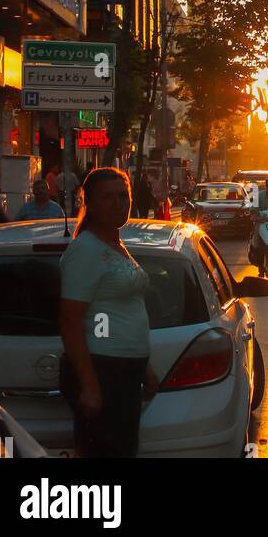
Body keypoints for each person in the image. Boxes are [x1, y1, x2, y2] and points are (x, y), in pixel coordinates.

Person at [58, 167, 157, 459]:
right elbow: (70, 319)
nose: (118, 203)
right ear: (89, 202)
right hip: (104, 371)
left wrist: (145, 369)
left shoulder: (114, 243)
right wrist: (89, 385)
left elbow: (117, 310)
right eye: (107, 197)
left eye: (122, 195)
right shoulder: (86, 250)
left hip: (124, 370)